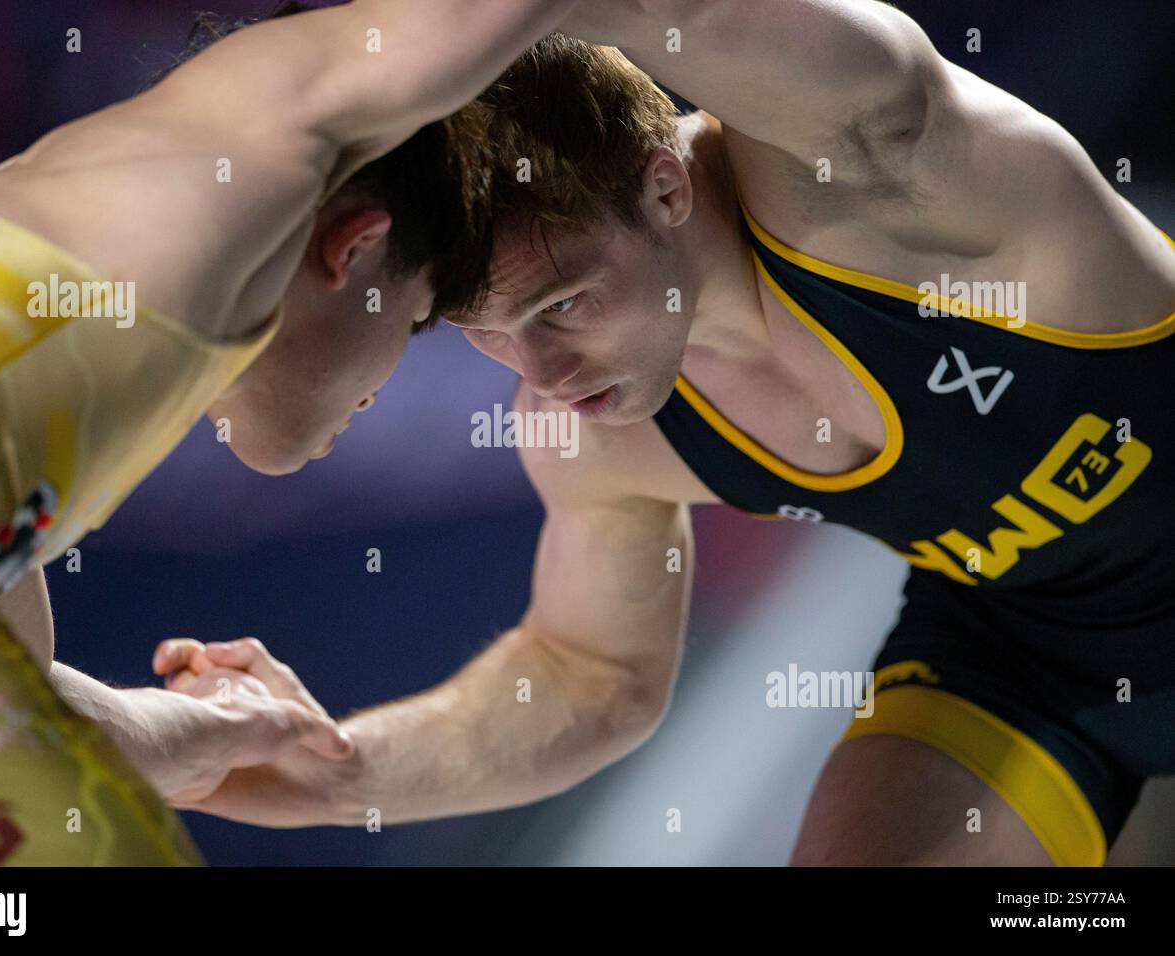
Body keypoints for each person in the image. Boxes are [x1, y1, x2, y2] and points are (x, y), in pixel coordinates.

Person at [162, 5, 1175, 867]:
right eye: (488, 335)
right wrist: (340, 768)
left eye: (563, 303)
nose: (546, 376)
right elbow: (590, 676)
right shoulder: (589, 431)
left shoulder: (872, 164)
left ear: (663, 186)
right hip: (1029, 652)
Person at [0, 0, 579, 865]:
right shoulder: (249, 173)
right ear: (355, 253)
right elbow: (420, 43)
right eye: (417, 318)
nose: (378, 393)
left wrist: (216, 727)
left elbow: (2, 717)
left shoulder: (10, 437)